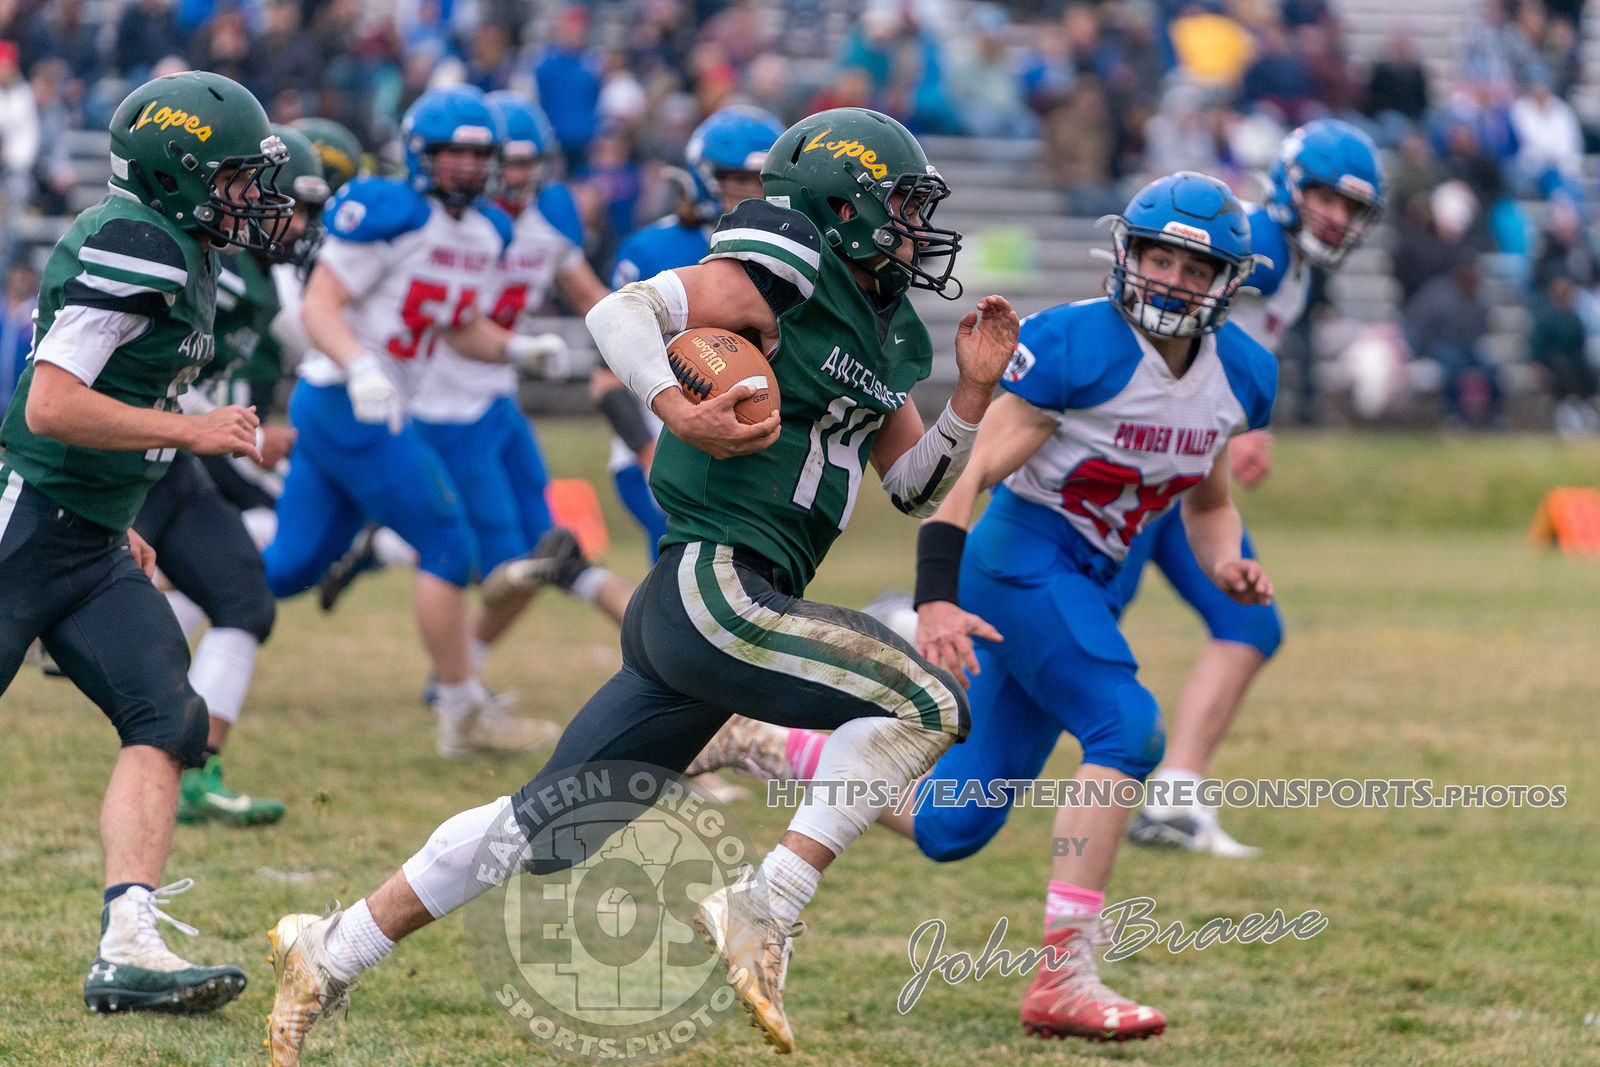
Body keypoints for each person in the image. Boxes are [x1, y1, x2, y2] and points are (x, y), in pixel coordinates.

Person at [264, 106, 1020, 1064]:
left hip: (705, 607)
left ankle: (332, 948)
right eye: (901, 206)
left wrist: (969, 399)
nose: (917, 229)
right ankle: (766, 907)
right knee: (930, 697)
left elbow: (913, 486)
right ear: (844, 205)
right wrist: (673, 408)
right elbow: (616, 312)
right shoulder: (783, 262)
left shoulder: (887, 327)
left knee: (542, 830)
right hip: (717, 581)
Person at [695, 171, 1276, 1041]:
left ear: (1229, 281)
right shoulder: (1079, 347)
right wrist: (935, 600)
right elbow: (968, 481)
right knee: (1128, 725)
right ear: (1127, 254)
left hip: (1092, 582)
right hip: (1019, 563)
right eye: (1159, 257)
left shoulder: (1244, 374)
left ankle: (761, 739)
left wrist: (1228, 562)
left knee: (951, 825)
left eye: (1196, 269)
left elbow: (1208, 500)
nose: (1172, 281)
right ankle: (1065, 976)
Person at [0, 70, 292, 1014]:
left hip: (87, 539)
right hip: (23, 518)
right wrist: (197, 433)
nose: (256, 199)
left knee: (167, 718)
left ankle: (129, 942)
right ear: (177, 173)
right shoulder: (137, 243)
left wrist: (120, 518)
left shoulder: (183, 249)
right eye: (238, 178)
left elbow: (123, 391)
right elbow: (52, 403)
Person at [260, 85, 561, 759]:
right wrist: (359, 365)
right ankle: (462, 712)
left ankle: (149, 588)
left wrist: (515, 347)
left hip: (366, 403)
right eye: (450, 152)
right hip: (348, 402)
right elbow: (320, 304)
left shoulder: (488, 230)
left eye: (477, 154)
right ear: (420, 154)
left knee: (290, 567)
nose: (464, 166)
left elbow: (455, 326)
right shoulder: (390, 210)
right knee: (448, 543)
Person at [1121, 119, 1384, 856]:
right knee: (1048, 625)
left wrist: (1238, 431)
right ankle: (905, 644)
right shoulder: (1261, 251)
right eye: (1326, 197)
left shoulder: (1292, 262)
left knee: (1249, 623)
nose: (1336, 216)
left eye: (1351, 208)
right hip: (1139, 465)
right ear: (1290, 184)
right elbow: (1172, 336)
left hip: (1184, 473)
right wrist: (1239, 428)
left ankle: (1175, 801)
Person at [132, 123, 331, 827]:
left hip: (183, 453)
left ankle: (196, 768)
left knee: (243, 597)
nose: (275, 213)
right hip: (124, 453)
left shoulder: (247, 272)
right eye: (256, 190)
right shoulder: (150, 251)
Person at [410, 89, 631, 681]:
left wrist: (650, 337)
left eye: (523, 165)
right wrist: (519, 347)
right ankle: (389, 553)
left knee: (544, 549)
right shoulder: (457, 226)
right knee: (503, 562)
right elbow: (452, 324)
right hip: (443, 400)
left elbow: (589, 295)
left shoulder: (549, 216)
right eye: (502, 164)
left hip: (497, 398)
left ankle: (461, 674)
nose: (511, 178)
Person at [593, 104, 786, 562]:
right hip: (659, 441)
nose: (751, 194)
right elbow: (603, 381)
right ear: (703, 177)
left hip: (743, 450)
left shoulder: (786, 260)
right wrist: (644, 450)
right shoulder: (653, 248)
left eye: (764, 182)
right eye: (737, 180)